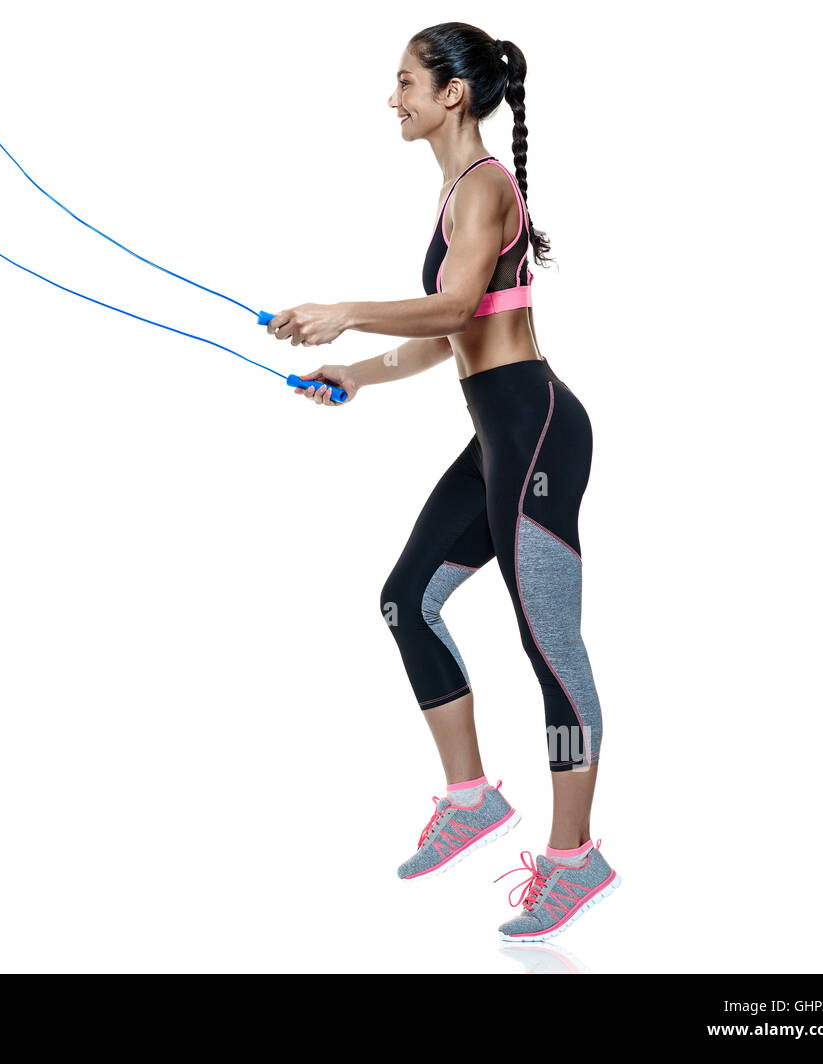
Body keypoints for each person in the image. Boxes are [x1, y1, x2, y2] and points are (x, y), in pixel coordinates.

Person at [262, 22, 619, 942]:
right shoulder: (458, 193)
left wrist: (342, 311)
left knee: (550, 644)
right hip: (498, 435)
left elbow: (457, 306)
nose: (395, 97)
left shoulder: (488, 185)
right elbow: (447, 332)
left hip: (536, 432)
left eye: (407, 81)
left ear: (452, 94)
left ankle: (575, 858)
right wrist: (356, 373)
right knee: (404, 598)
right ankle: (471, 799)